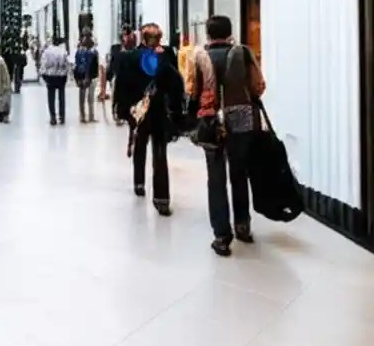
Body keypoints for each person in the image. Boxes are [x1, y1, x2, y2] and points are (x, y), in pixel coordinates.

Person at [115, 23, 199, 216]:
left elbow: (122, 84)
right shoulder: (166, 57)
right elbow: (176, 84)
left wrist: (123, 110)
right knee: (160, 152)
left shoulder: (131, 57)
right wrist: (177, 111)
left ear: (142, 38)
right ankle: (162, 198)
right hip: (160, 110)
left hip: (139, 111)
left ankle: (139, 183)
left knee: (139, 144)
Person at [202, 15, 267, 256]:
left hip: (211, 122)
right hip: (241, 119)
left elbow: (192, 90)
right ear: (230, 32)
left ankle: (221, 236)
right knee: (239, 174)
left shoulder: (200, 57)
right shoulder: (244, 52)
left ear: (208, 34)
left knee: (216, 177)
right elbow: (259, 86)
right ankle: (243, 225)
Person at [104, 26, 136, 125]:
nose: (125, 37)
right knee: (116, 96)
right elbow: (111, 62)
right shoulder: (115, 48)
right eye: (124, 35)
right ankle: (116, 113)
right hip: (116, 76)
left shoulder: (133, 49)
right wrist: (108, 75)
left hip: (128, 77)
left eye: (127, 35)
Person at [39, 36, 70, 126]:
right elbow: (66, 64)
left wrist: (43, 74)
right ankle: (62, 116)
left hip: (50, 76)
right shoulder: (63, 51)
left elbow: (44, 64)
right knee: (61, 96)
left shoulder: (47, 51)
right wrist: (66, 73)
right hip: (61, 76)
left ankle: (53, 117)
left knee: (51, 97)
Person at [74, 34, 100, 123]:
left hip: (82, 76)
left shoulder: (79, 52)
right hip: (90, 77)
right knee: (90, 98)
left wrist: (77, 78)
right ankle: (90, 116)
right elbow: (93, 66)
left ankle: (82, 116)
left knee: (82, 98)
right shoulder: (93, 53)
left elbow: (76, 66)